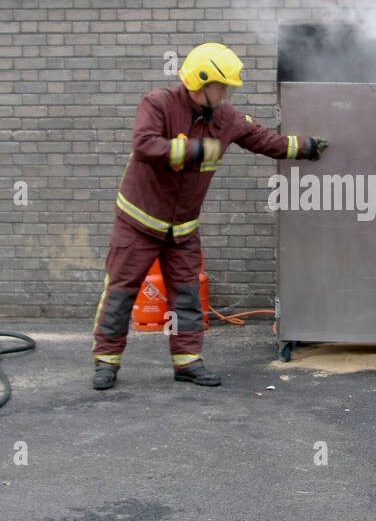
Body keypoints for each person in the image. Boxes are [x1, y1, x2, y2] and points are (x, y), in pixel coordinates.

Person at [92, 42, 327, 390]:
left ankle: (187, 363)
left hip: (183, 230)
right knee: (121, 292)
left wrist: (305, 148)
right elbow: (144, 145)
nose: (228, 93)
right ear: (202, 82)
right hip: (139, 222)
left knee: (186, 296)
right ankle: (106, 363)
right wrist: (195, 149)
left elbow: (265, 140)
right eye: (224, 86)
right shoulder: (158, 104)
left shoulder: (226, 118)